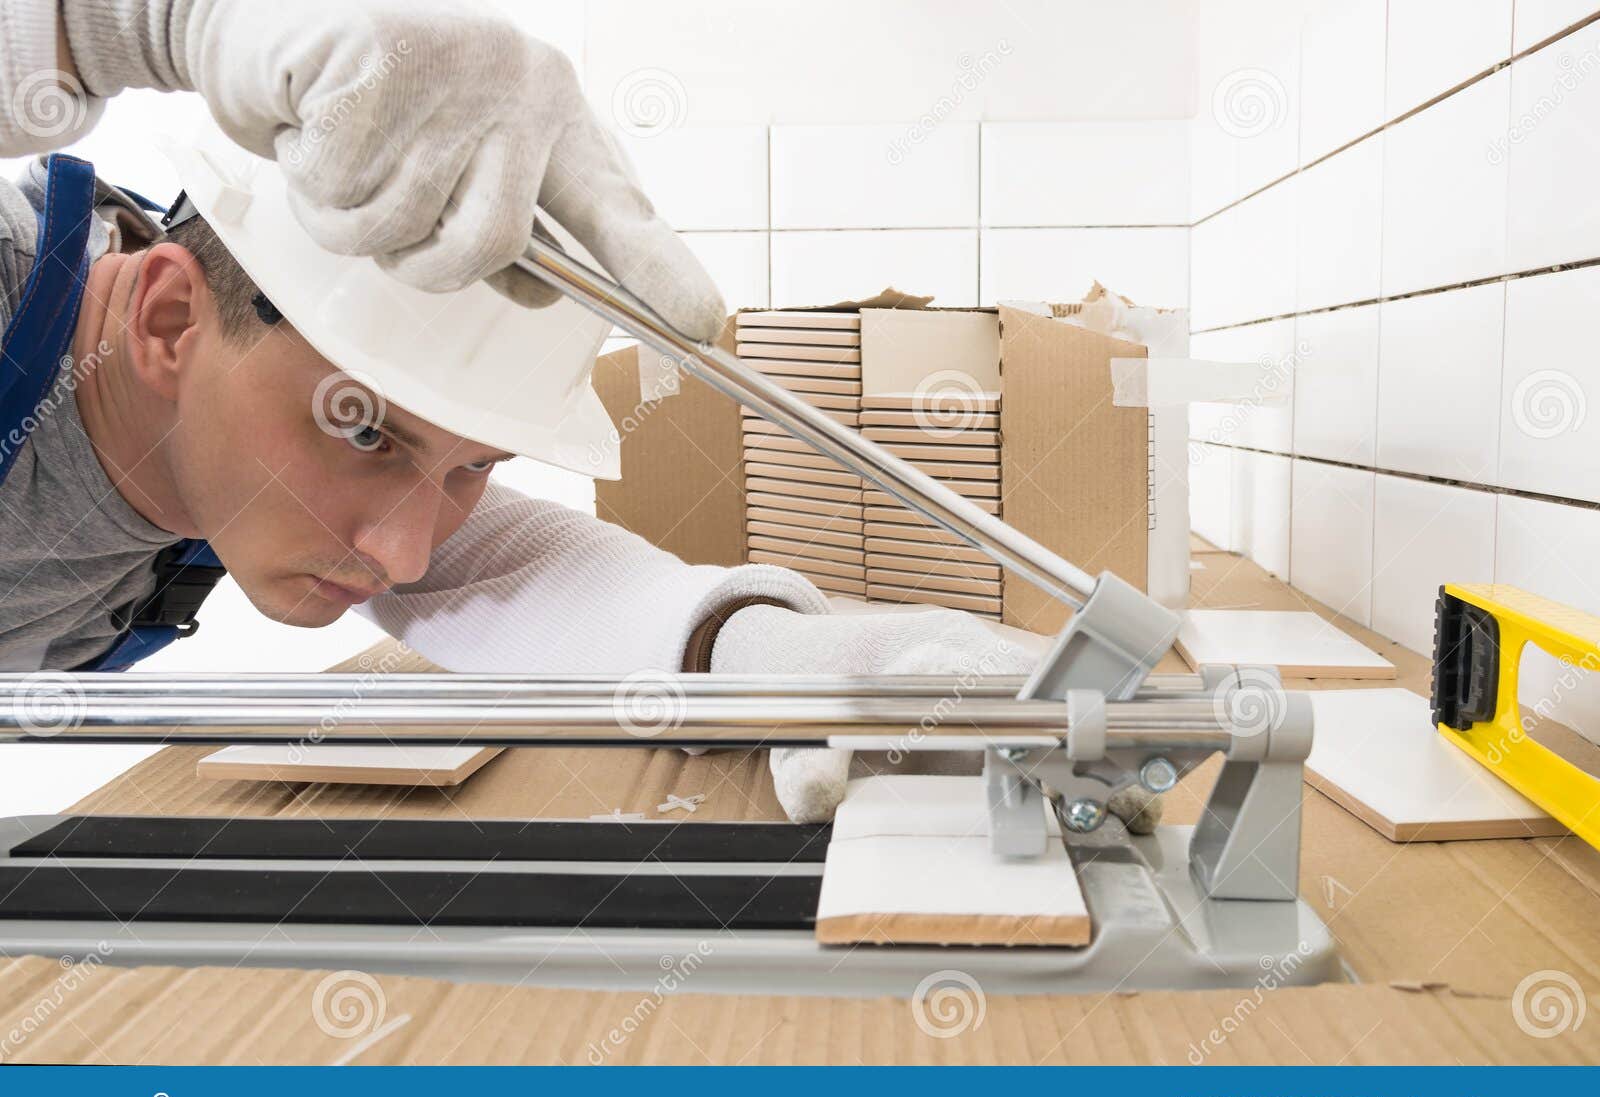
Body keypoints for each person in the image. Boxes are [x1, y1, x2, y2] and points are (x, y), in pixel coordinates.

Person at [0, 0, 1157, 828]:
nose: (406, 548)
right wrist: (109, 24)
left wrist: (786, 660)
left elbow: (518, 580)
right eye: (364, 430)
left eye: (473, 468)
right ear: (165, 322)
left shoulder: (220, 437)